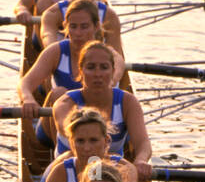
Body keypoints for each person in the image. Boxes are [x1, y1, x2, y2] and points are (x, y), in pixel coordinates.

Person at [52, 41, 151, 173]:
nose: (97, 74)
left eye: (104, 67)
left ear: (113, 71)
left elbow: (143, 143)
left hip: (110, 173)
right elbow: (80, 144)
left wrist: (141, 160)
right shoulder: (65, 104)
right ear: (81, 71)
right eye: (91, 67)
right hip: (69, 171)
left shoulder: (128, 102)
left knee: (121, 174)